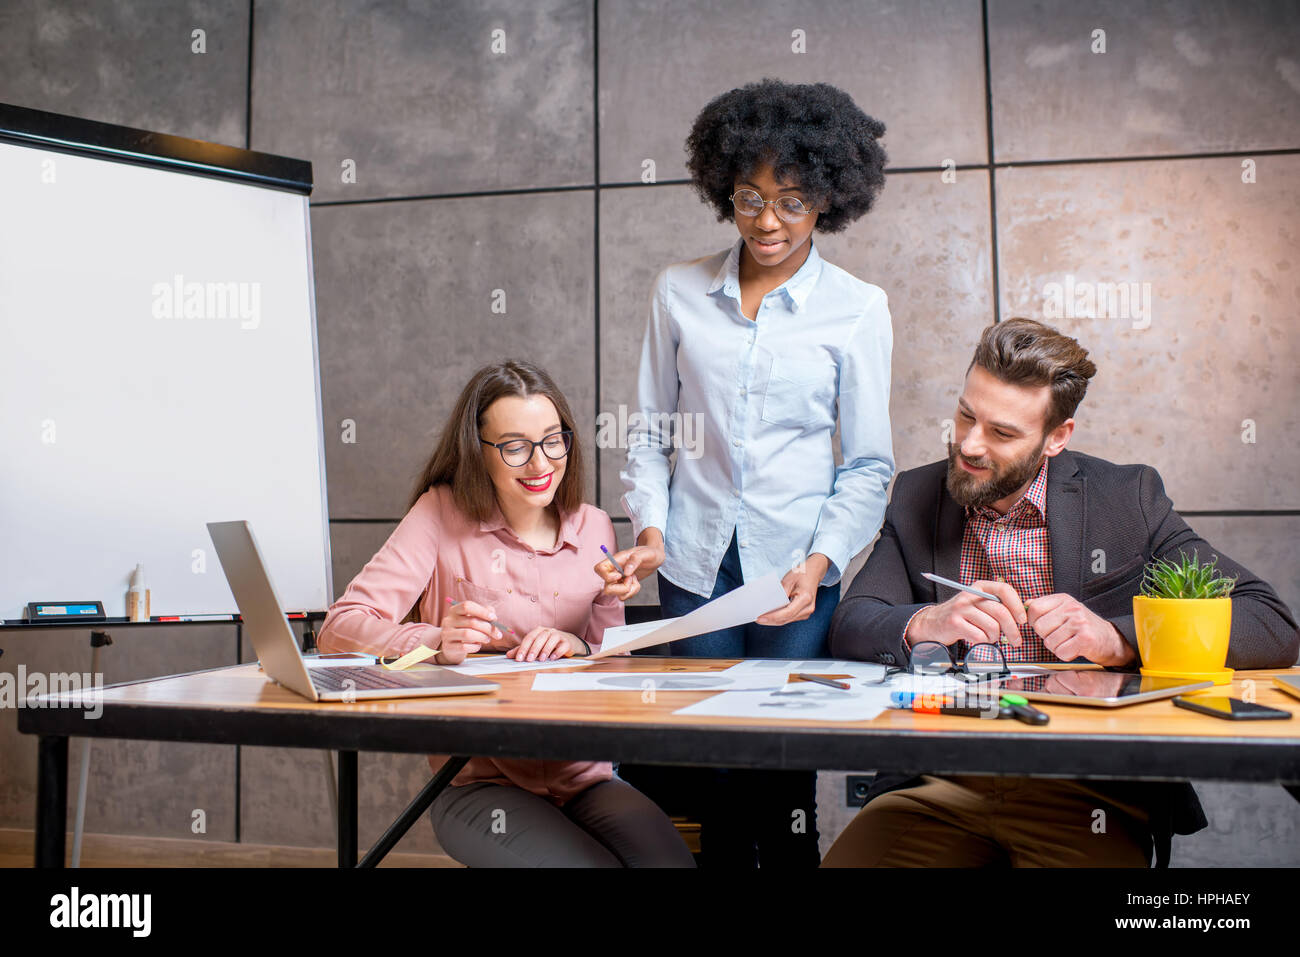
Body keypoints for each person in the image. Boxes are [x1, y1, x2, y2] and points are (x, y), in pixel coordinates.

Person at [821, 318, 1300, 867]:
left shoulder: (1128, 498)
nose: (969, 445)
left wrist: (1116, 639)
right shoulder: (917, 493)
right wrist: (925, 623)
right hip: (935, 783)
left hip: (1087, 790)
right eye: (965, 416)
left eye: (1002, 434)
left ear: (1057, 437)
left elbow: (1271, 624)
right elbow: (854, 621)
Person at [596, 78, 895, 867]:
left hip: (797, 570)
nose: (768, 220)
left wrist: (825, 561)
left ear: (829, 199)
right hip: (692, 564)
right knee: (715, 764)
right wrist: (651, 530)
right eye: (749, 197)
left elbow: (867, 464)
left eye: (793, 201)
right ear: (722, 189)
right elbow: (653, 431)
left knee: (786, 765)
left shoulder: (858, 308)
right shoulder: (677, 291)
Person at [317, 359, 694, 868]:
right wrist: (431, 640)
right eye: (515, 447)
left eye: (552, 440)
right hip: (477, 783)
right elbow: (339, 627)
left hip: (584, 779)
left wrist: (582, 647)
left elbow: (614, 664)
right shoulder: (440, 514)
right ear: (480, 453)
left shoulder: (595, 528)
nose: (540, 465)